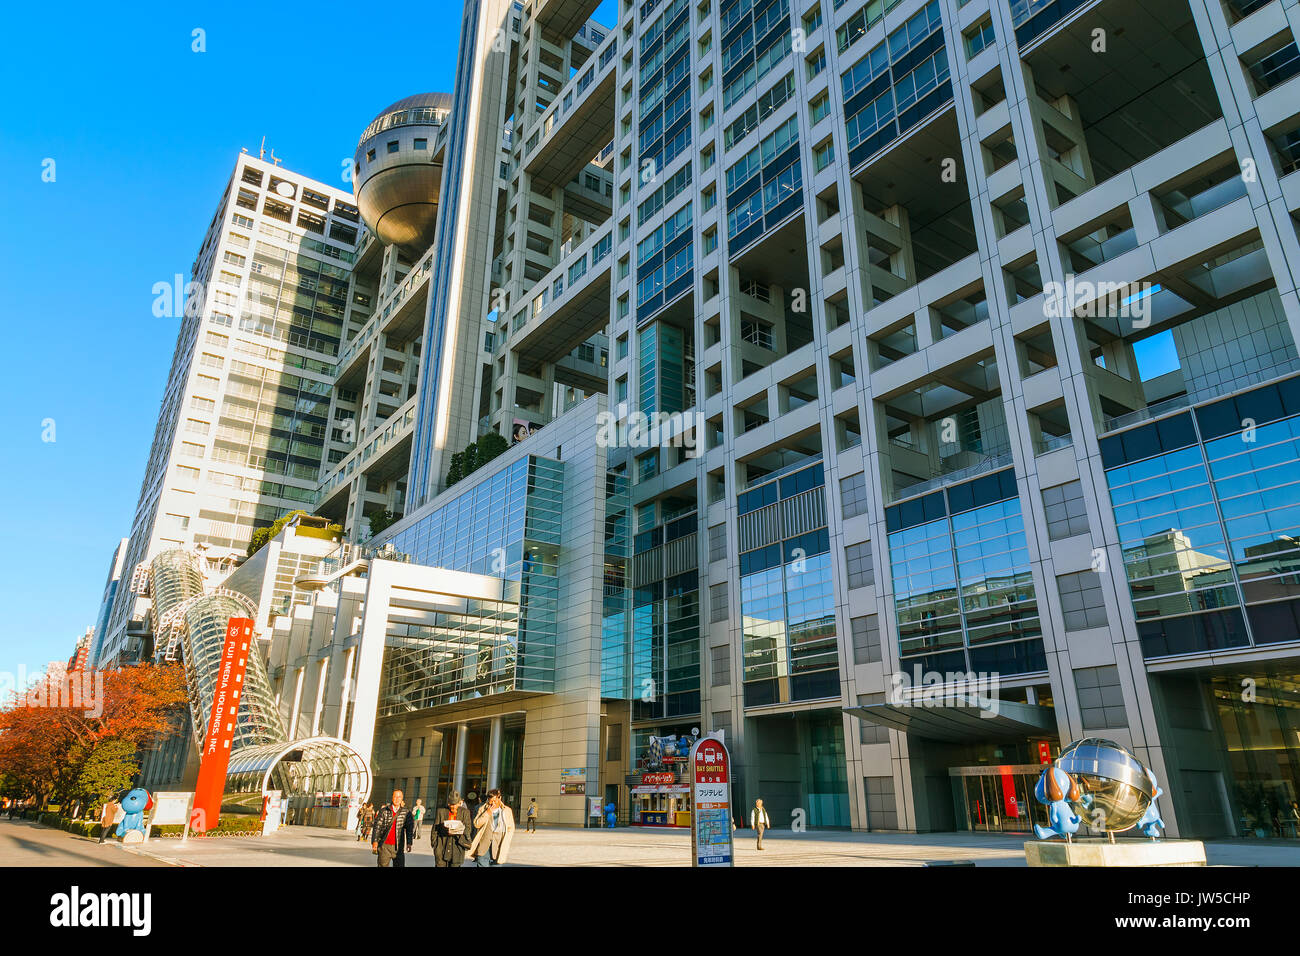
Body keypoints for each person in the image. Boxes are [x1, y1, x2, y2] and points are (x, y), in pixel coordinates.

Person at [466, 788, 515, 866]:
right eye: (491, 801)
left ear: (500, 798)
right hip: (484, 846)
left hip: (499, 845)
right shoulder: (482, 809)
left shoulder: (507, 811)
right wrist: (487, 813)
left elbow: (511, 828)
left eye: (495, 801)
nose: (493, 804)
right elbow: (476, 824)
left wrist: (507, 839)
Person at [371, 789, 414, 867]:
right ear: (392, 798)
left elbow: (409, 829)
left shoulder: (406, 812)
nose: (397, 799)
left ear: (402, 799)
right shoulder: (384, 811)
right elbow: (377, 826)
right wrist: (375, 841)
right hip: (384, 846)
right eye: (395, 797)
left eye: (399, 797)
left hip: (398, 847)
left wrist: (409, 843)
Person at [431, 791, 472, 868]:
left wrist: (458, 830)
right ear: (448, 803)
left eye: (455, 805)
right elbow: (434, 829)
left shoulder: (465, 812)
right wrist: (435, 845)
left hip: (457, 847)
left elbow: (468, 828)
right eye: (451, 805)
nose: (453, 807)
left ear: (460, 803)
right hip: (442, 846)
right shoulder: (441, 811)